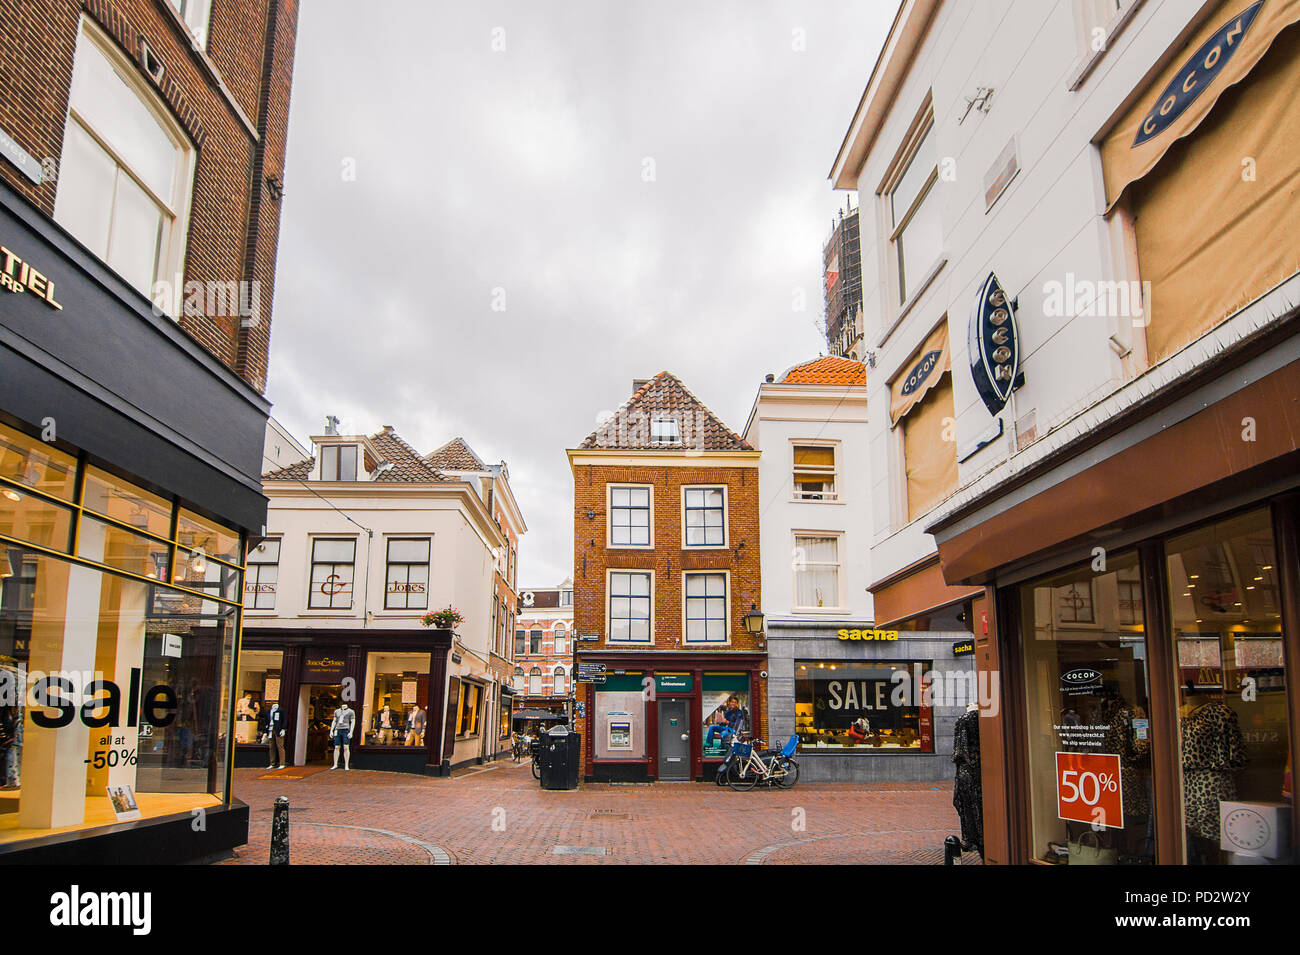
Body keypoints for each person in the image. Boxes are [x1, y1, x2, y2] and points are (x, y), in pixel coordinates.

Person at [330, 701, 356, 770]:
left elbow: (353, 721)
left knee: (346, 747)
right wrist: (331, 730)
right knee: (336, 747)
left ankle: (346, 765)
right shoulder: (337, 711)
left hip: (346, 729)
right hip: (337, 729)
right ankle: (335, 764)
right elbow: (334, 721)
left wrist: (351, 732)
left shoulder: (351, 711)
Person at [264, 701, 287, 769]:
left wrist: (283, 729)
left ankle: (282, 763)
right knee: (271, 746)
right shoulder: (269, 711)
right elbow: (266, 721)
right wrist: (266, 731)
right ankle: (272, 763)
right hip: (270, 729)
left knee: (280, 746)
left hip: (278, 730)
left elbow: (285, 719)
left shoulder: (281, 710)